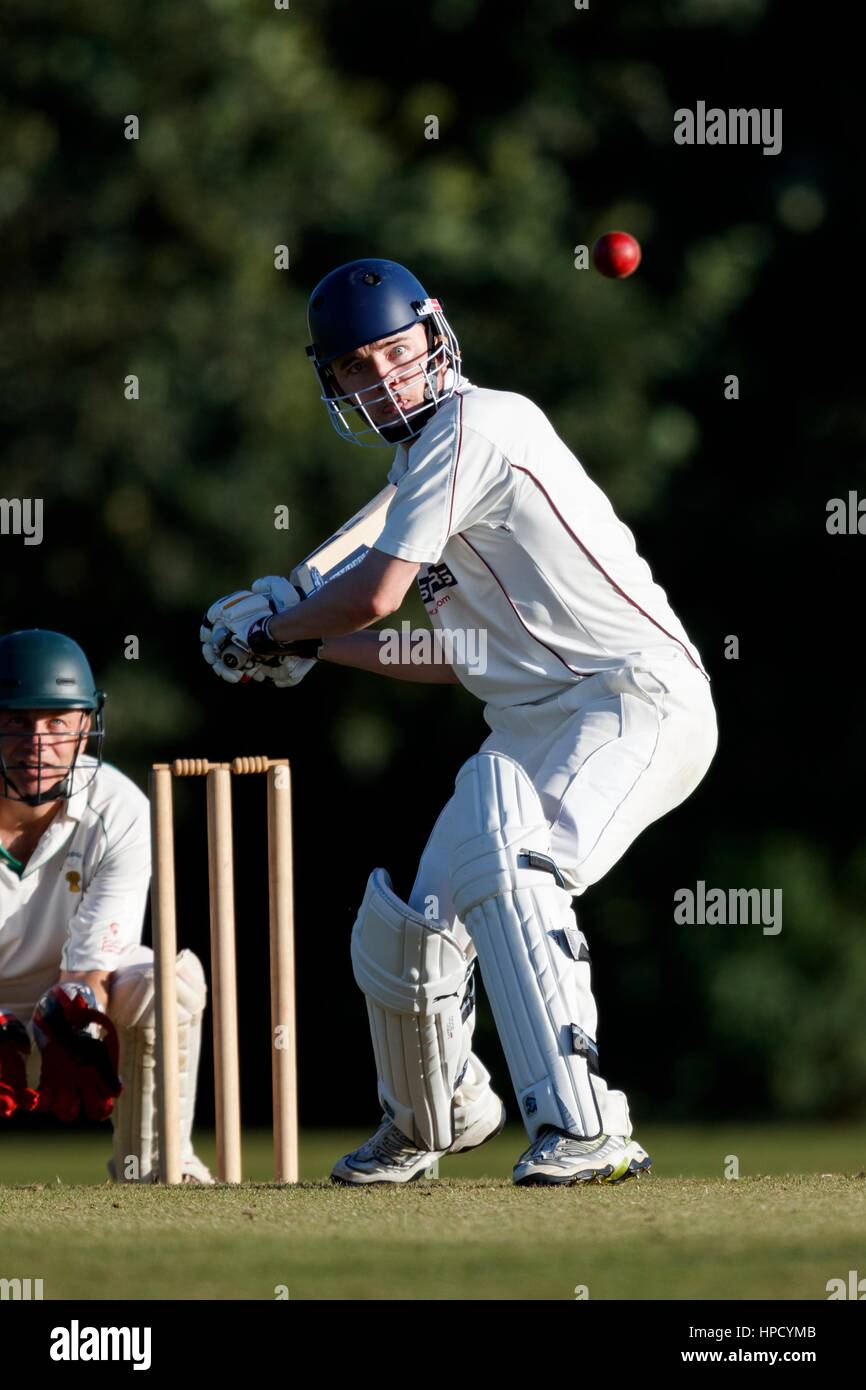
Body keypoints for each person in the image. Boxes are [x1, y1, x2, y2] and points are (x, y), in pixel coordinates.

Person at [201, 258, 718, 1186]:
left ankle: (590, 1128)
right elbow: (454, 660)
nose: (385, 378)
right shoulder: (423, 468)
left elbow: (378, 593)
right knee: (412, 929)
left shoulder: (484, 422)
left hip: (633, 699)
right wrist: (302, 652)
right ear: (336, 382)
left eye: (396, 352)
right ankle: (434, 1120)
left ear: (435, 335)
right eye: (358, 367)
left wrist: (276, 627)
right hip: (528, 720)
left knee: (515, 869)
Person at [0, 628, 212, 1183]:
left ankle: (154, 1167)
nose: (37, 743)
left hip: (69, 1028)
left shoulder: (119, 808)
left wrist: (70, 1019)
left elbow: (90, 971)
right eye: (17, 720)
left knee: (169, 981)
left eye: (56, 722)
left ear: (86, 725)